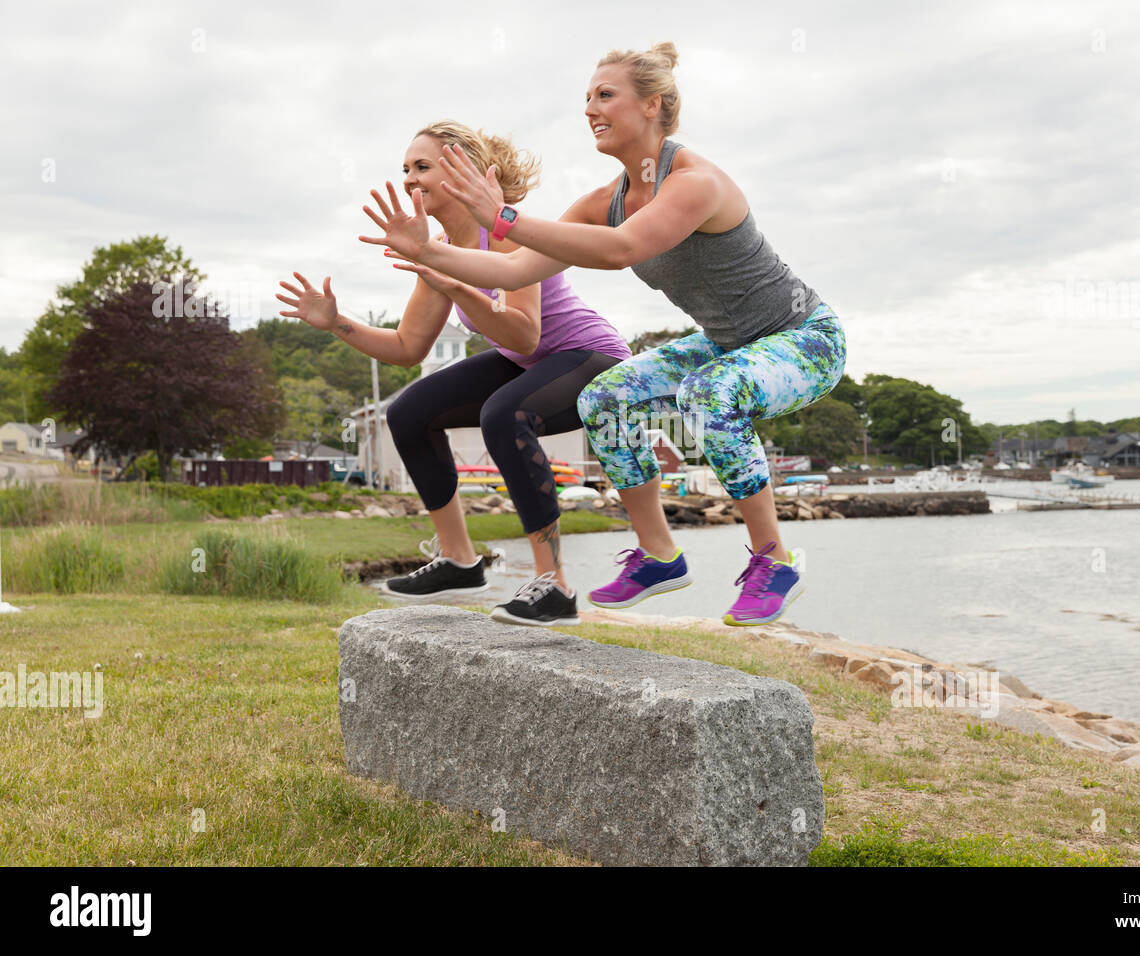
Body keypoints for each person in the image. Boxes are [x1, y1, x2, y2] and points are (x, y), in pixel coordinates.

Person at [358, 44, 845, 627]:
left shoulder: (696, 183)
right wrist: (428, 250)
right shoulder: (601, 202)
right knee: (604, 396)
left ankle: (774, 561)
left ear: (652, 104)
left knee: (711, 393)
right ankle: (660, 555)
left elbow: (621, 250)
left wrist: (502, 218)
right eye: (586, 97)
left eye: (605, 95)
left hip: (804, 338)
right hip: (725, 342)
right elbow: (516, 268)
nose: (590, 108)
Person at [280, 120, 630, 627]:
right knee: (409, 412)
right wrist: (337, 323)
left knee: (504, 414)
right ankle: (460, 561)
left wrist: (457, 283)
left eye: (422, 166)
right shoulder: (438, 246)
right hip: (530, 360)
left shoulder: (503, 233)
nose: (409, 178)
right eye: (405, 168)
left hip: (594, 360)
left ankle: (554, 585)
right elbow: (407, 347)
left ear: (459, 169)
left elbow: (524, 333)